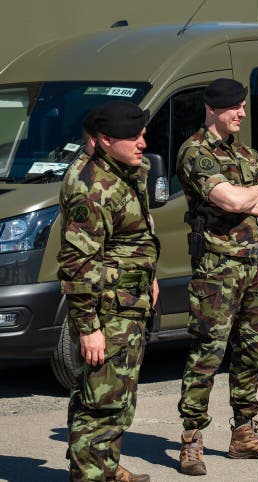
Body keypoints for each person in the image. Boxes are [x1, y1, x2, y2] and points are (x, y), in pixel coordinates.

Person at [176, 78, 258, 476]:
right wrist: (252, 192)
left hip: (253, 267)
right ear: (213, 109)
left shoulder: (245, 152)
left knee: (253, 352)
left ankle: (244, 433)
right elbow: (230, 199)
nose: (242, 113)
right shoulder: (195, 152)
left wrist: (247, 194)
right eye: (234, 108)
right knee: (207, 354)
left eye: (243, 106)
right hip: (216, 270)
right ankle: (192, 440)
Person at [58, 100, 160, 481]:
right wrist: (89, 328)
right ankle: (92, 474)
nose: (142, 143)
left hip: (127, 303)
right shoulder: (90, 189)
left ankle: (104, 467)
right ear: (103, 139)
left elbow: (132, 236)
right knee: (102, 404)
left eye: (143, 133)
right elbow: (76, 264)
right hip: (107, 313)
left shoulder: (124, 170)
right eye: (133, 136)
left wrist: (148, 276)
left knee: (112, 397)